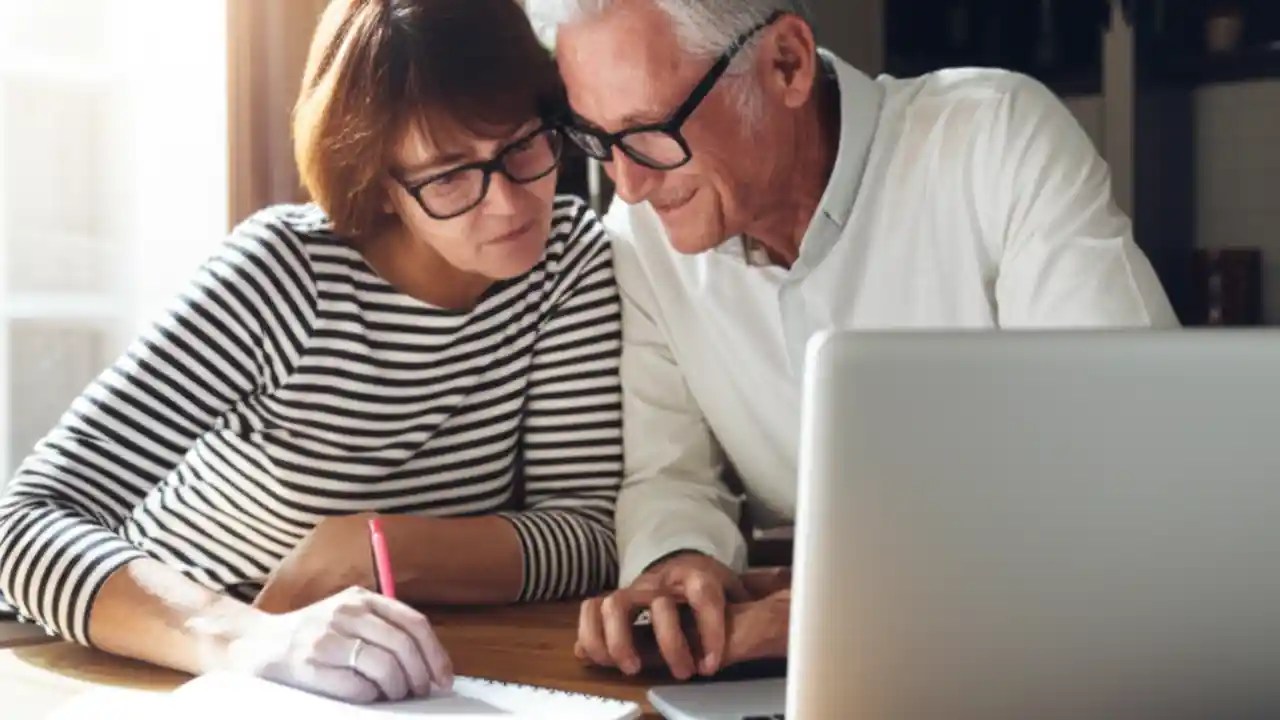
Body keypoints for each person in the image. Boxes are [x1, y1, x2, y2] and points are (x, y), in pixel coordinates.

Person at [525, 0, 1180, 682]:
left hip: (1066, 663)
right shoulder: (644, 239)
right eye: (597, 136)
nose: (628, 186)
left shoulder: (995, 139)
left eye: (652, 130)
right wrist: (680, 569)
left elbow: (1129, 473)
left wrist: (842, 612)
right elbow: (672, 475)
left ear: (787, 64)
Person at [0, 0, 622, 703]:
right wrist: (248, 638)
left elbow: (589, 533)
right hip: (166, 665)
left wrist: (375, 546)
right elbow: (23, 526)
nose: (509, 204)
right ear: (381, 184)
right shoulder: (282, 274)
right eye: (449, 177)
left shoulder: (567, 258)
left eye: (523, 148)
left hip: (382, 672)